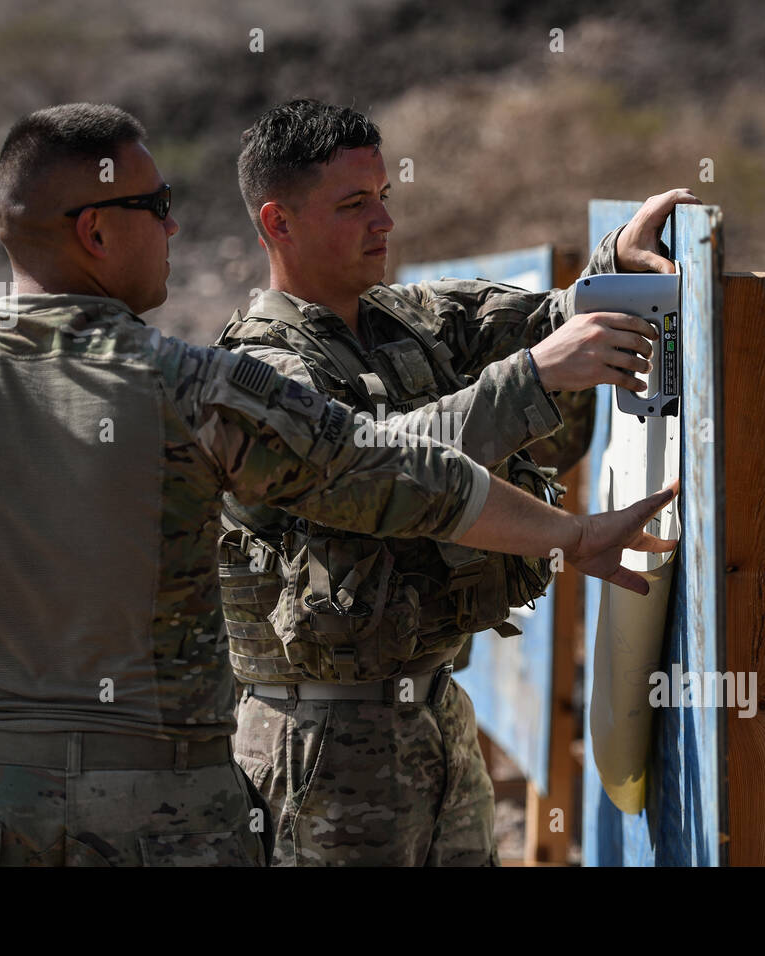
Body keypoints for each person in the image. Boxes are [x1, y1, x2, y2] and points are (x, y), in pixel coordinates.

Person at [0, 102, 679, 868]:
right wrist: (567, 537)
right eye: (158, 208)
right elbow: (381, 472)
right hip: (174, 821)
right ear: (95, 231)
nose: (175, 230)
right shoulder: (200, 389)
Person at [216, 98, 697, 865]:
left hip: (436, 715)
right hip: (318, 749)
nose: (384, 223)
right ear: (278, 223)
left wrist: (614, 264)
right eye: (353, 205)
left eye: (384, 198)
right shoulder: (255, 374)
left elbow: (545, 318)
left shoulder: (408, 319)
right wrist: (532, 378)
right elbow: (368, 463)